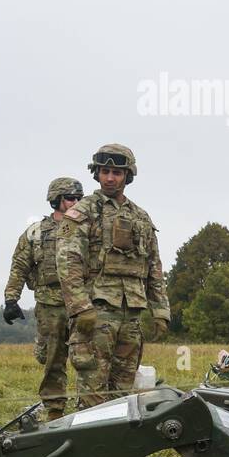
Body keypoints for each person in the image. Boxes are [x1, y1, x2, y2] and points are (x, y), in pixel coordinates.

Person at [57, 144, 171, 408]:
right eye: (105, 171)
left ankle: (119, 448)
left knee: (123, 395)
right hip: (96, 316)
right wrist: (81, 308)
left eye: (117, 172)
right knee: (92, 395)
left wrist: (160, 309)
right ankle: (87, 447)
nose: (110, 178)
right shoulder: (83, 213)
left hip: (131, 316)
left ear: (127, 176)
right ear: (96, 174)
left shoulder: (140, 217)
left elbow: (153, 266)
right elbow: (67, 262)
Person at [2, 177, 85, 420]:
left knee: (88, 360)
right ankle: (54, 413)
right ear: (56, 200)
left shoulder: (88, 228)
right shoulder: (36, 233)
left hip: (83, 304)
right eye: (71, 198)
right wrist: (10, 299)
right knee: (52, 360)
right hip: (50, 306)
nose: (76, 202)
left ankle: (89, 411)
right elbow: (19, 266)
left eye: (79, 198)